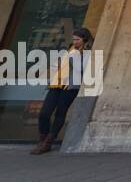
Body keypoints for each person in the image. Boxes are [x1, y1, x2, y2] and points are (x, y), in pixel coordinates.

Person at [31, 26, 93, 155]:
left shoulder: (87, 52)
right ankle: (42, 137)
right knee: (44, 113)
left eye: (77, 39)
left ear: (84, 39)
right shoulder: (70, 49)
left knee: (60, 113)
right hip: (56, 84)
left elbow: (83, 69)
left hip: (70, 86)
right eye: (74, 39)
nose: (75, 42)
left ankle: (48, 141)